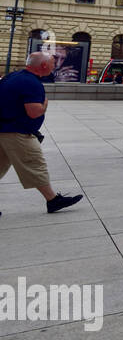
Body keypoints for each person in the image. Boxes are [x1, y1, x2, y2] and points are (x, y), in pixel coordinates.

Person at [0, 52, 84, 217]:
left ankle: (53, 199)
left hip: (3, 129)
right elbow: (33, 112)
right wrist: (44, 105)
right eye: (53, 63)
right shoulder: (32, 83)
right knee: (34, 165)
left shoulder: (13, 76)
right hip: (17, 132)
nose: (54, 66)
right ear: (44, 66)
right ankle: (53, 200)